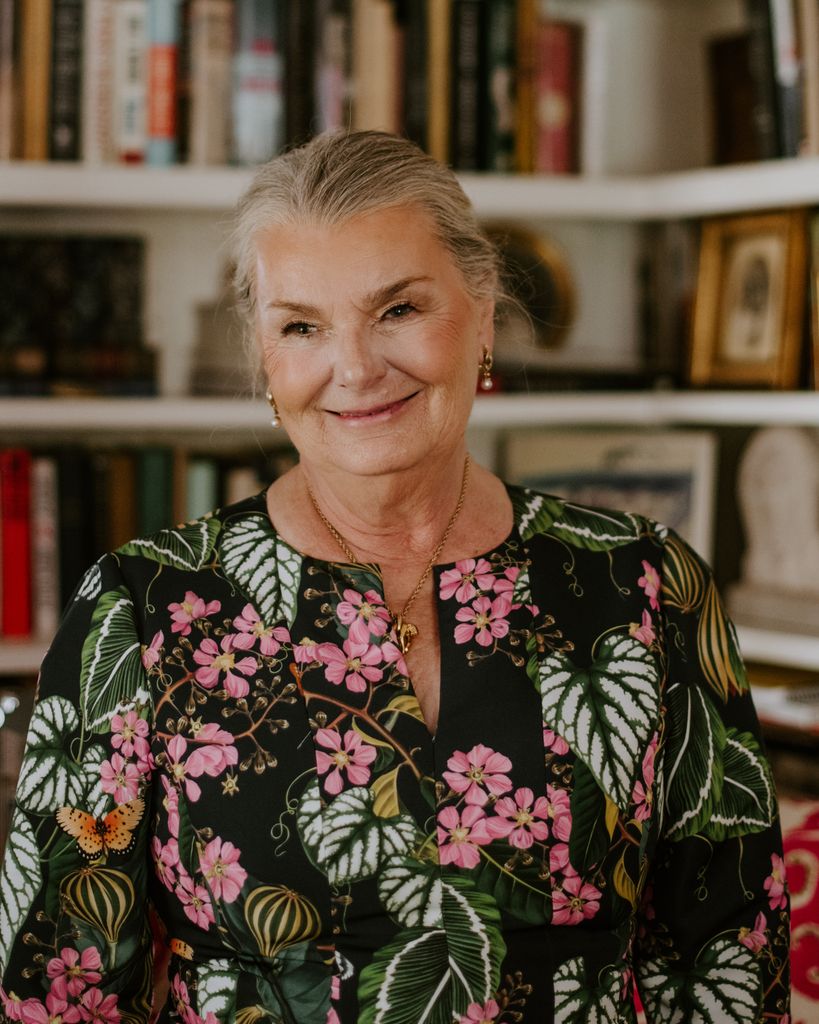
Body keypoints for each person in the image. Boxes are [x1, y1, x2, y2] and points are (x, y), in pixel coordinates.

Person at [0, 131, 789, 1024]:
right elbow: (59, 992)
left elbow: (727, 963)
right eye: (302, 326)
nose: (355, 368)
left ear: (482, 311)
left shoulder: (646, 584)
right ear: (263, 356)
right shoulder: (140, 609)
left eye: (399, 309)